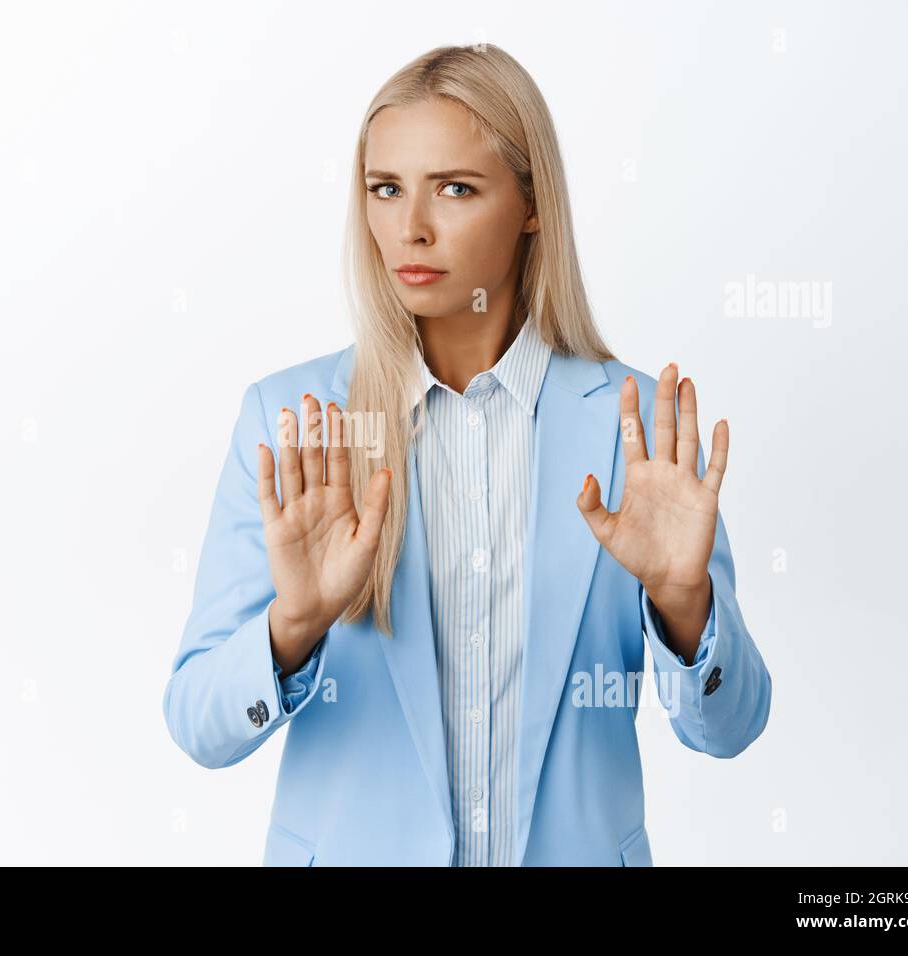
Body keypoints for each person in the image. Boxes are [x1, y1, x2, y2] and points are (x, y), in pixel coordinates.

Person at [162, 43, 771, 866]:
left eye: (454, 187)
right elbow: (199, 722)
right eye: (386, 189)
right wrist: (292, 627)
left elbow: (729, 731)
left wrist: (684, 603)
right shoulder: (293, 420)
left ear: (530, 202)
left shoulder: (633, 430)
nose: (410, 225)